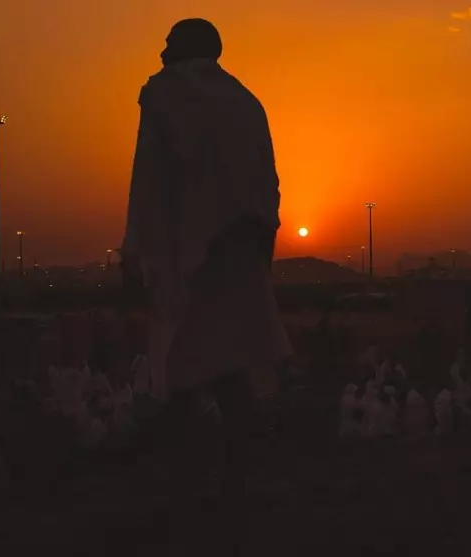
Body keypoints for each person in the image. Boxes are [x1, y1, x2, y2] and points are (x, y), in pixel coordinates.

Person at [120, 17, 290, 549]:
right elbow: (271, 190)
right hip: (241, 257)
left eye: (170, 44)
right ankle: (232, 490)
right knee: (234, 373)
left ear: (186, 49)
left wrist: (136, 253)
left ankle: (186, 501)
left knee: (180, 379)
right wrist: (260, 259)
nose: (161, 52)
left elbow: (148, 180)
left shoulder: (164, 94)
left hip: (189, 259)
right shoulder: (248, 102)